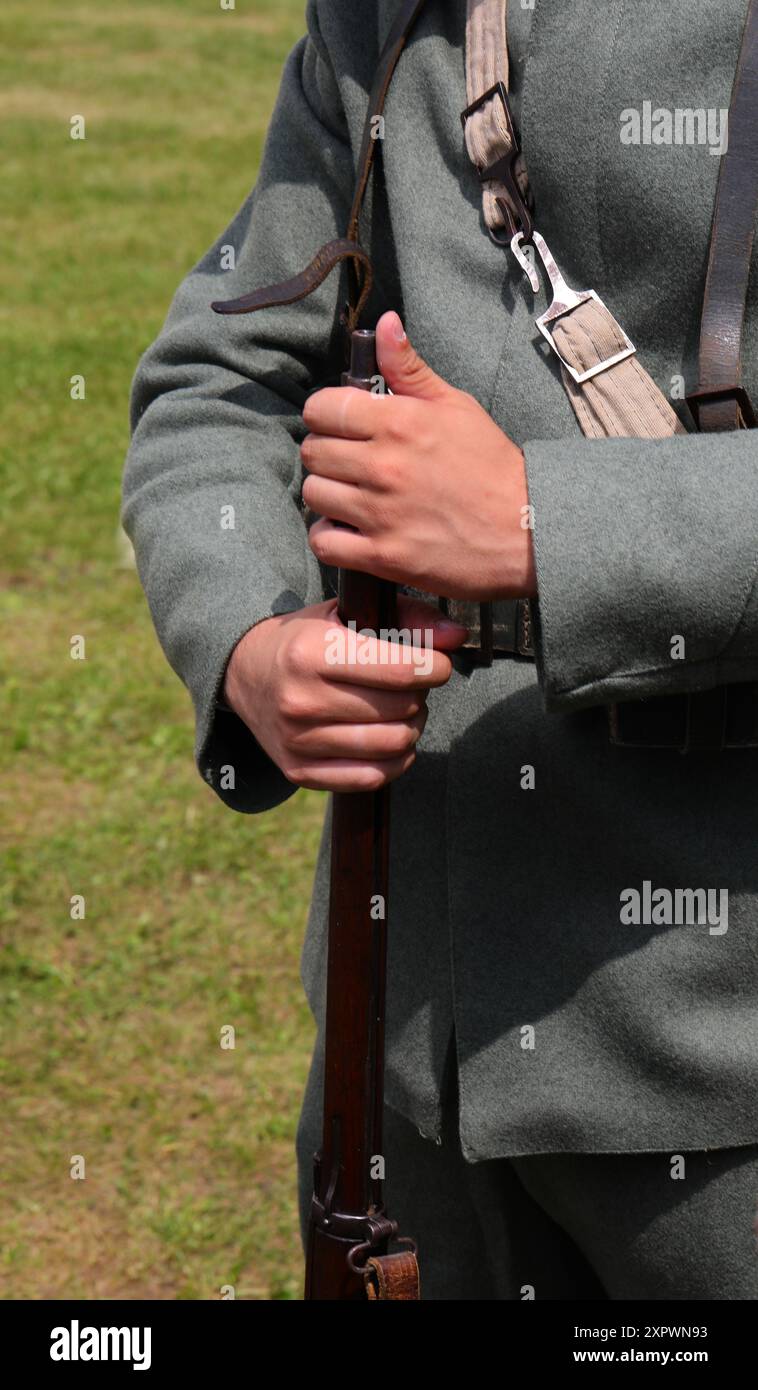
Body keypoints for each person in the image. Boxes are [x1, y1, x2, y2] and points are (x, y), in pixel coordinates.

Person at [122, 0, 758, 1299]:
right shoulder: (378, 15)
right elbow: (225, 373)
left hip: (719, 1060)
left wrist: (546, 522)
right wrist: (248, 636)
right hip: (401, 1043)